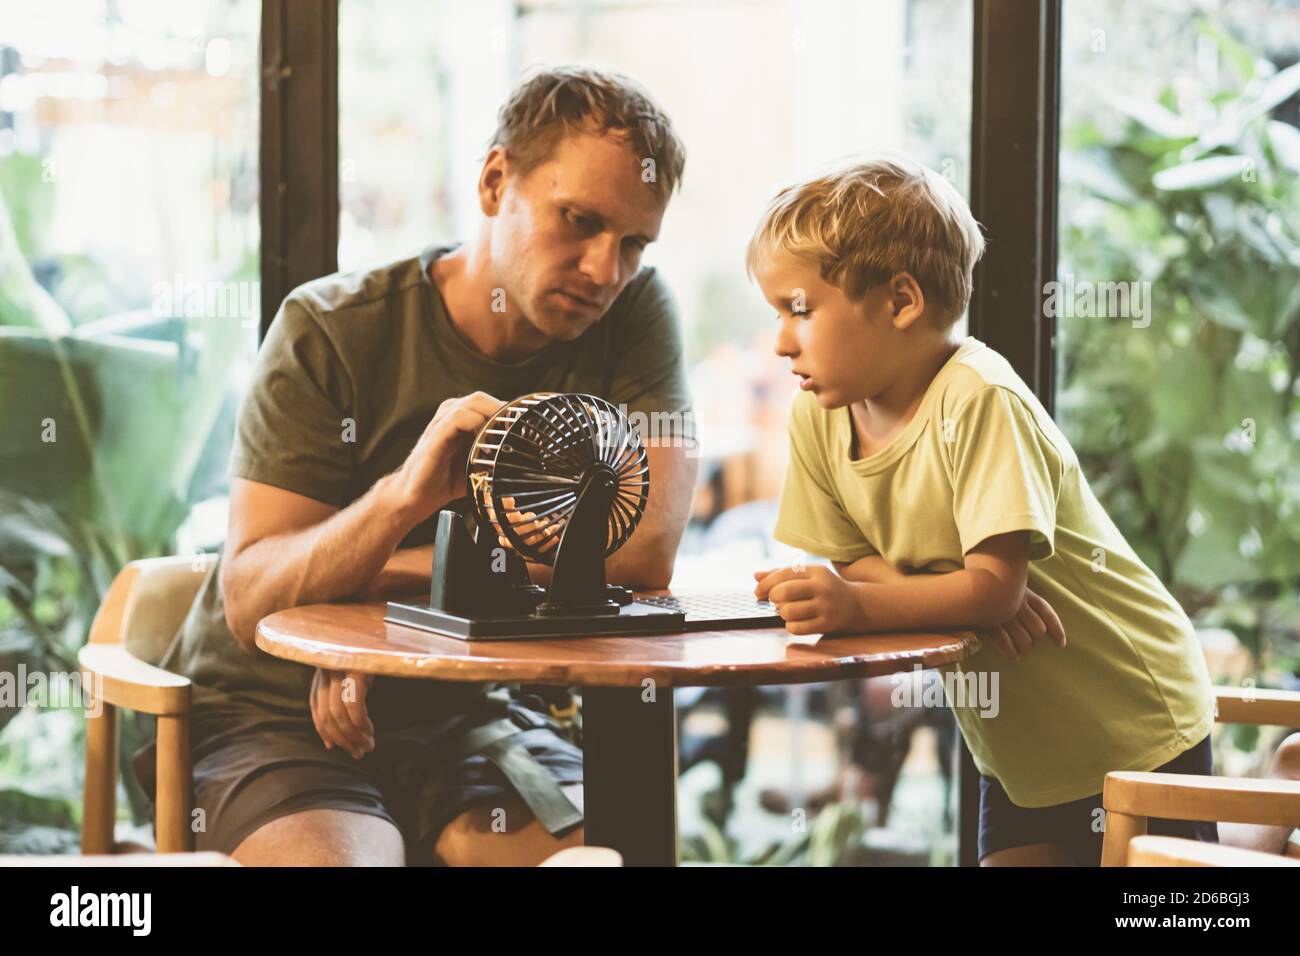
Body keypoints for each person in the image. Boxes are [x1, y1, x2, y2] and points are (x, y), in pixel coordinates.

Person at [144, 66, 698, 866]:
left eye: (634, 243)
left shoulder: (638, 315)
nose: (605, 271)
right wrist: (403, 497)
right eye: (578, 221)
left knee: (616, 858)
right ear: (494, 180)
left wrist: (378, 595)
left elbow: (641, 555)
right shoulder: (328, 328)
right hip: (271, 712)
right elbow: (252, 594)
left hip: (477, 712)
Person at [748, 153, 1216, 866]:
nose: (781, 340)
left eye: (800, 310)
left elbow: (992, 587)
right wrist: (960, 597)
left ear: (900, 302)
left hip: (1132, 721)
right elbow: (859, 557)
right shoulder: (817, 416)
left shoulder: (980, 400)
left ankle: (1265, 830)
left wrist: (881, 604)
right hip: (1022, 747)